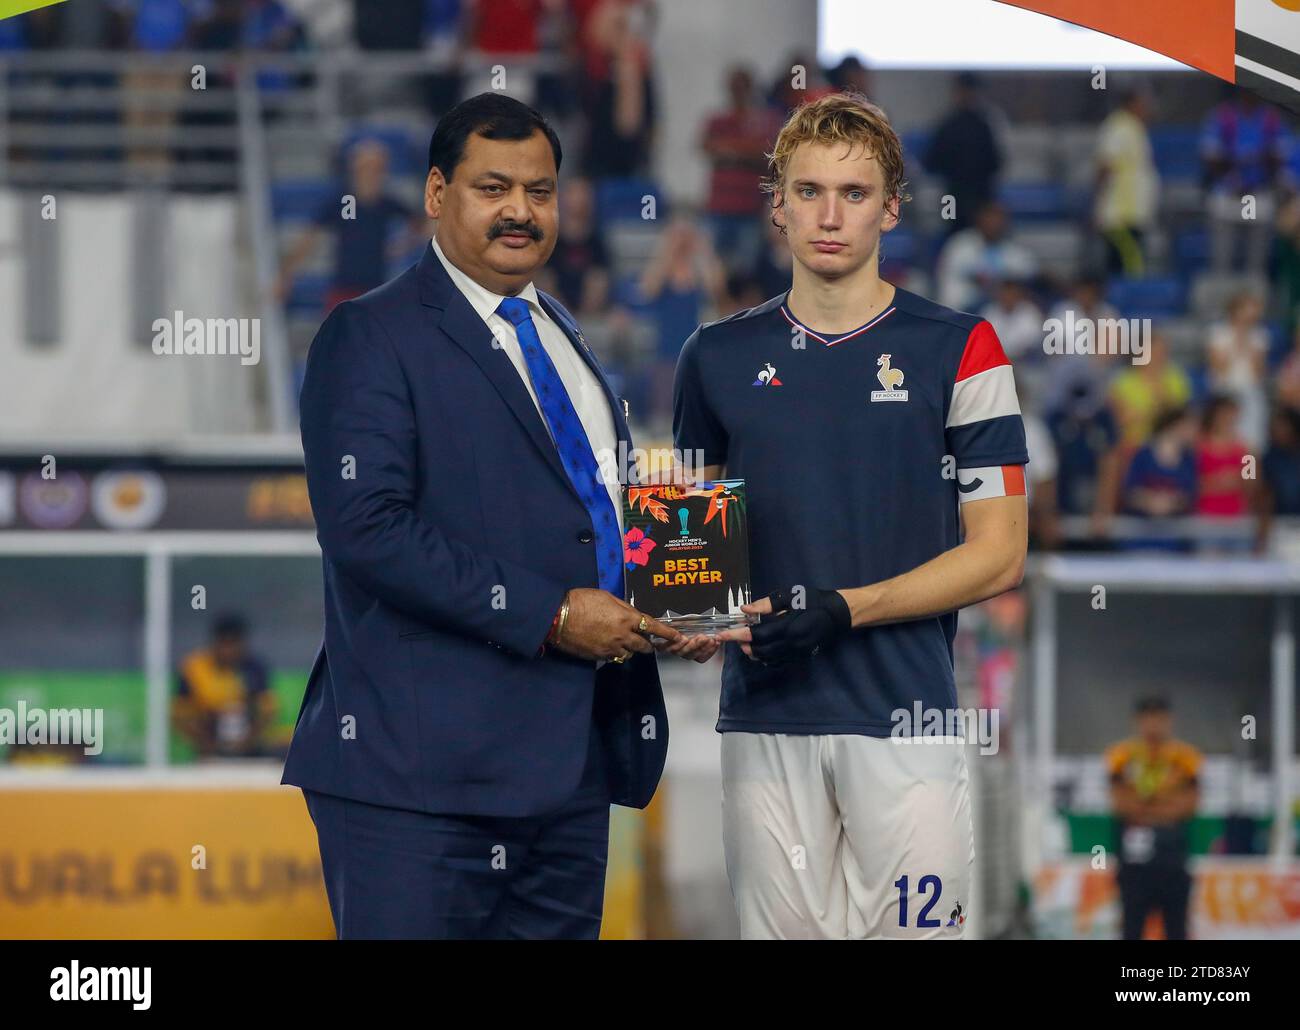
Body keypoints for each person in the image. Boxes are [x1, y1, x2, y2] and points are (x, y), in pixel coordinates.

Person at [283, 93, 712, 940]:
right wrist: (553, 614)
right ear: (438, 194)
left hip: (568, 777)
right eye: (494, 187)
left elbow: (594, 509)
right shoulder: (369, 335)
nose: (521, 209)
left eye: (540, 190)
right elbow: (367, 528)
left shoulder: (559, 329)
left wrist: (678, 598)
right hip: (417, 789)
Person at [674, 92, 1029, 939]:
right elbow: (684, 555)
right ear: (777, 207)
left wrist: (843, 609)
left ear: (893, 208)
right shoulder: (713, 358)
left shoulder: (962, 348)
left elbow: (1000, 555)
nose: (829, 216)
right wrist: (681, 619)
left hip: (906, 719)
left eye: (855, 194)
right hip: (766, 718)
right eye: (808, 192)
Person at [277, 139, 430, 313]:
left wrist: (401, 246)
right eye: (365, 168)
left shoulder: (388, 204)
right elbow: (310, 239)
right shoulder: (345, 203)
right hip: (344, 288)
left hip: (375, 289)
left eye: (377, 169)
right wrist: (286, 276)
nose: (371, 174)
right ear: (355, 170)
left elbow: (423, 227)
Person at [1106, 697, 1202, 940]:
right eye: (1147, 718)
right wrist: (1165, 805)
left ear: (1169, 721)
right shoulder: (1121, 756)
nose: (1153, 725)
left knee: (1177, 929)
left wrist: (1145, 807)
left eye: (1159, 718)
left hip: (1172, 861)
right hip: (1134, 866)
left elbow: (1188, 806)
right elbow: (1121, 805)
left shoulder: (1186, 757)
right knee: (1131, 929)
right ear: (1137, 721)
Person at [173, 614, 276, 759]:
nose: (228, 651)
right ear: (214, 643)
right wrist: (205, 741)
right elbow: (179, 714)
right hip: (207, 748)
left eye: (234, 644)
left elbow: (267, 711)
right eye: (224, 644)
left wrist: (248, 740)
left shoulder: (254, 668)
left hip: (248, 748)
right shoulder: (194, 668)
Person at [923, 71, 1005, 236]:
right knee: (950, 233)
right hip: (953, 194)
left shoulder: (982, 126)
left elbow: (995, 163)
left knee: (978, 236)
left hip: (974, 196)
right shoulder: (949, 125)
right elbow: (932, 162)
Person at [1093, 84, 1159, 278]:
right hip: (1120, 214)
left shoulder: (1135, 127)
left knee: (1128, 265)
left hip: (1134, 213)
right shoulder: (1119, 127)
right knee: (1131, 268)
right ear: (1131, 104)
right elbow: (1105, 166)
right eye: (1142, 104)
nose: (1146, 109)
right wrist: (1100, 204)